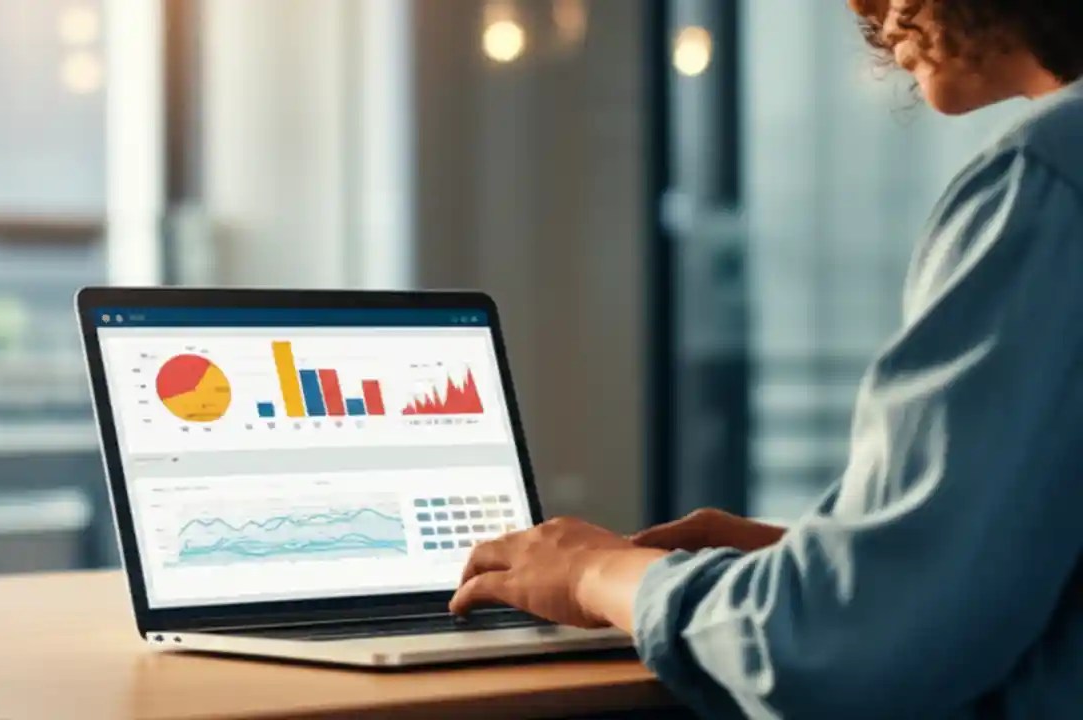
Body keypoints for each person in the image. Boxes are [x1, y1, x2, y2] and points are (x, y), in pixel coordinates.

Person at [449, 1, 1083, 717]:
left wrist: (596, 573)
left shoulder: (1047, 179)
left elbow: (852, 647)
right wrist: (829, 563)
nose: (865, 8)